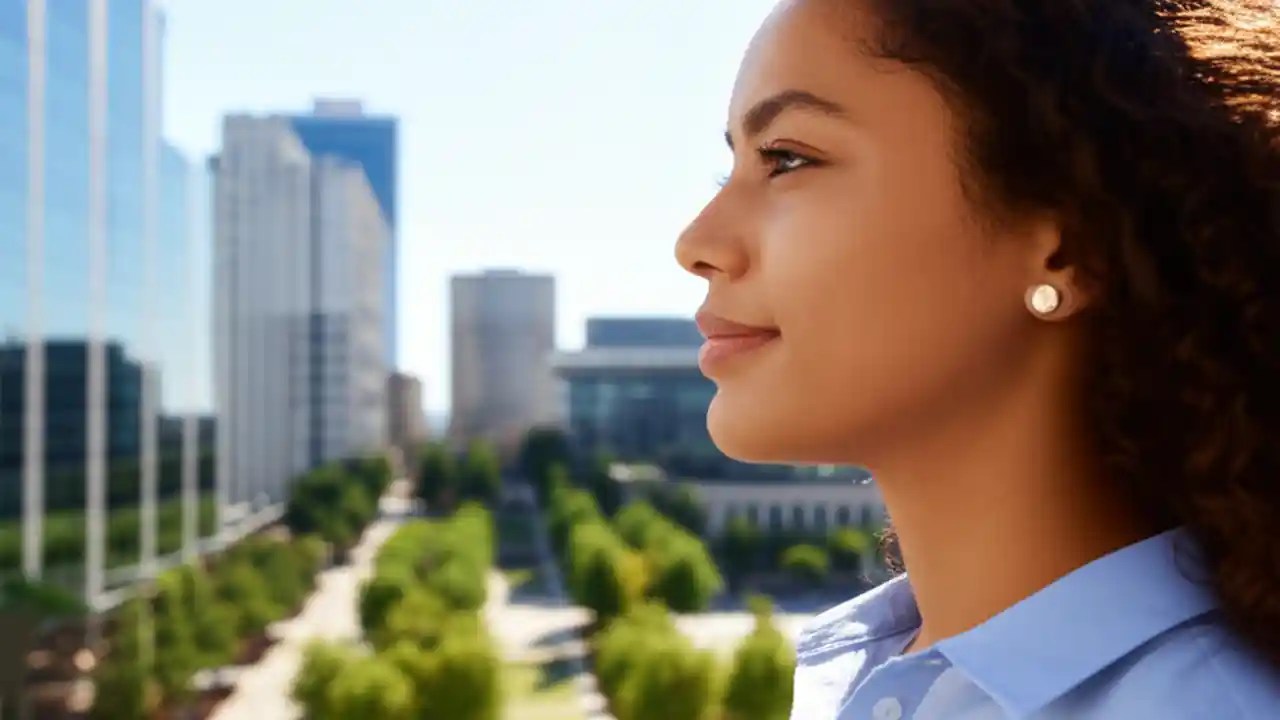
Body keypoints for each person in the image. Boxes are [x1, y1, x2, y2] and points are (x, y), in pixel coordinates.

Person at [675, 0, 1280, 717]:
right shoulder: (876, 675)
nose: (695, 243)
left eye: (787, 159)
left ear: (1067, 247)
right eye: (731, 169)